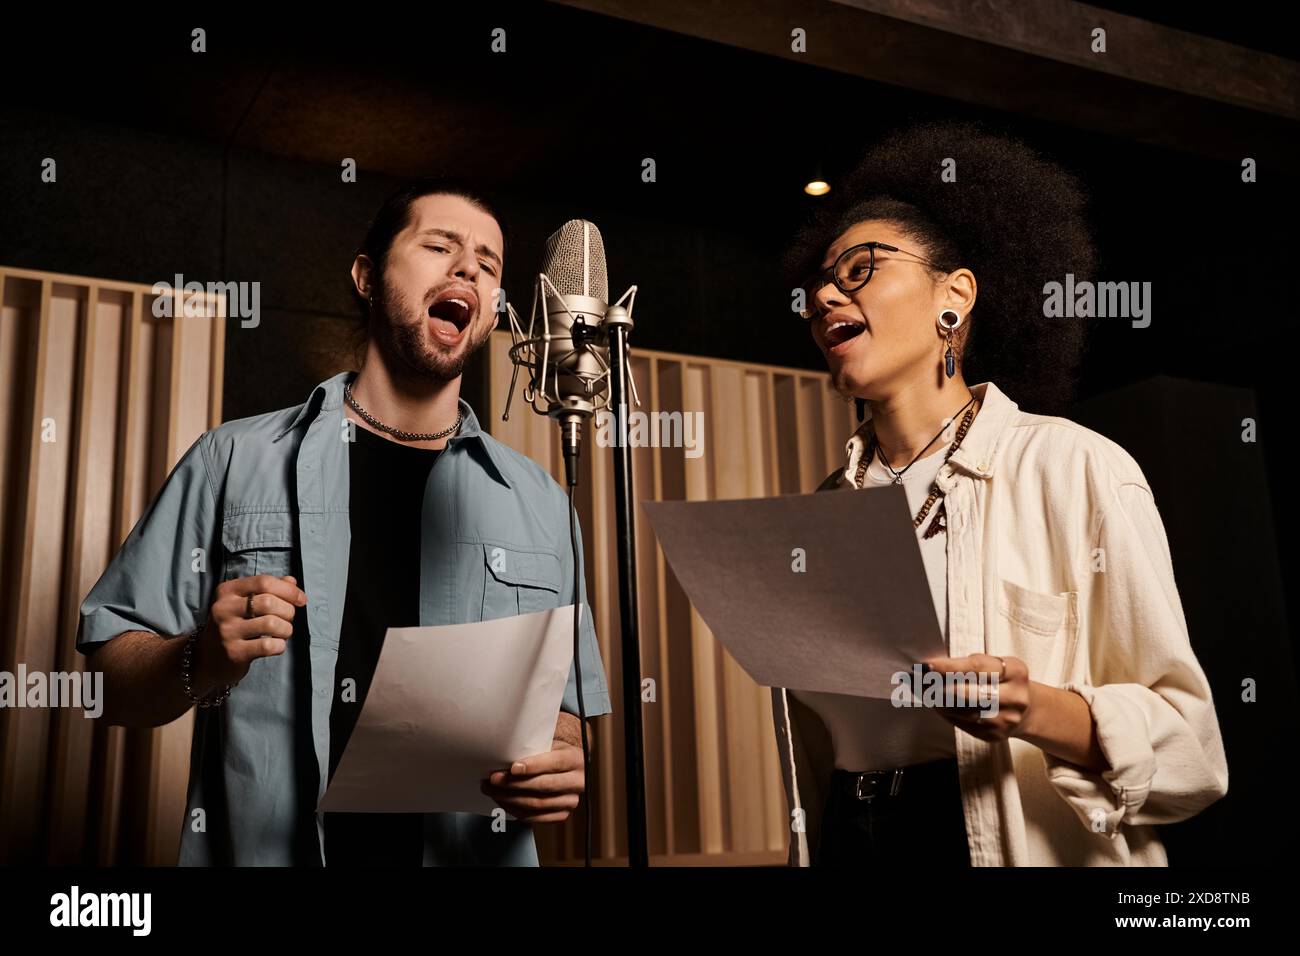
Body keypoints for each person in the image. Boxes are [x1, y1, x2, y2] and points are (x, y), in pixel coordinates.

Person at [76, 178, 612, 865]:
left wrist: (563, 758)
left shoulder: (541, 503)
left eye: (488, 262)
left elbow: (565, 713)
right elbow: (104, 684)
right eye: (439, 245)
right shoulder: (230, 460)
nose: (468, 267)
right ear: (366, 276)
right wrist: (202, 655)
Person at [771, 121, 1228, 866]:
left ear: (953, 298)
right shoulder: (826, 507)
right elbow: (816, 754)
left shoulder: (1075, 467)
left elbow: (1195, 755)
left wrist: (1034, 708)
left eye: (858, 269)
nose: (823, 294)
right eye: (817, 282)